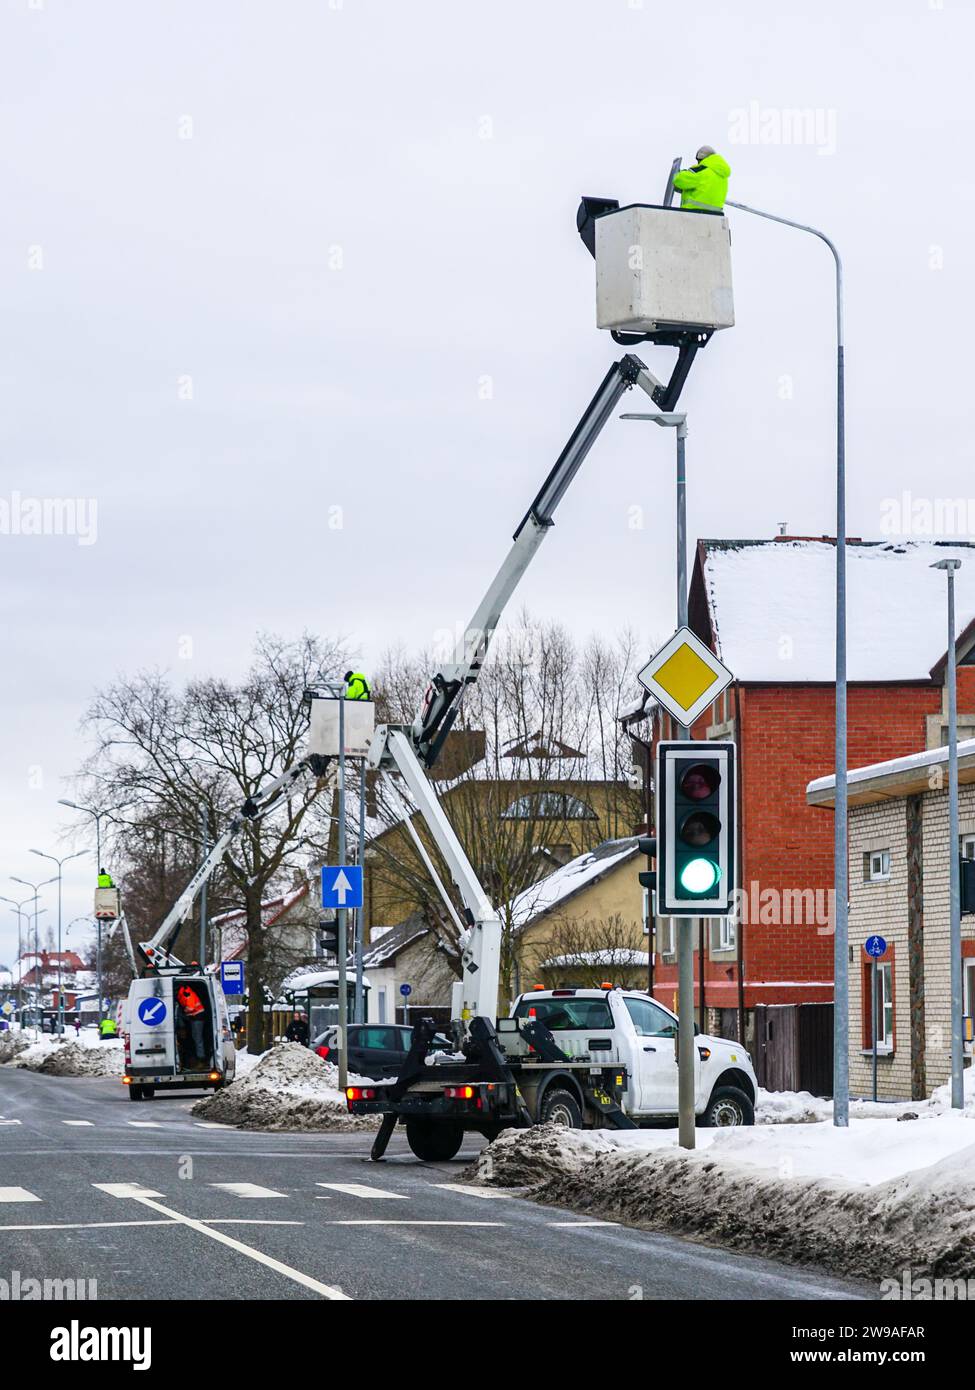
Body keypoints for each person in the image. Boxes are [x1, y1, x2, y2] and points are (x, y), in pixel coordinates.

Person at [673, 146, 731, 213]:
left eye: (698, 160)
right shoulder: (723, 176)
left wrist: (682, 172)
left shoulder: (702, 170)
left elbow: (679, 180)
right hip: (715, 216)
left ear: (701, 158)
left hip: (694, 213)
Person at [176, 983, 207, 1067]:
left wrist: (184, 1012)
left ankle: (201, 1059)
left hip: (197, 1017)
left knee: (197, 1039)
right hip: (194, 1017)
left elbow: (191, 1007)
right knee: (196, 1038)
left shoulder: (186, 993)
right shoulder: (182, 992)